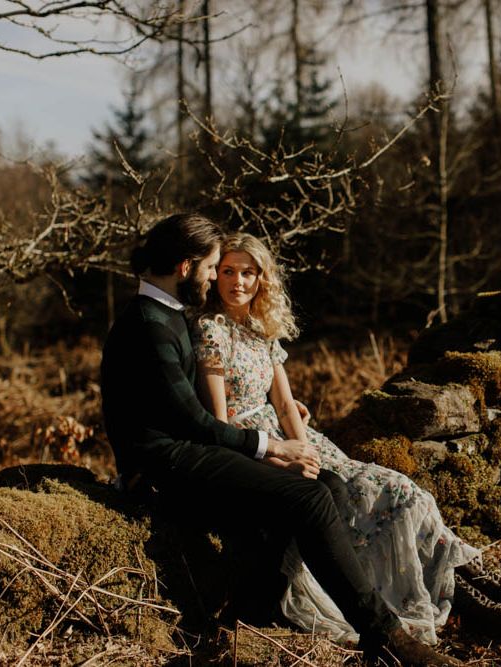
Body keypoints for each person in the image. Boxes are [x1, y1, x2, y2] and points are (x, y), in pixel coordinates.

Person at [100, 212, 460, 666]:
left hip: (190, 451)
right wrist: (272, 447)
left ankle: (253, 608)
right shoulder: (148, 326)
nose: (215, 277)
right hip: (163, 467)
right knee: (307, 499)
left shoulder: (166, 314)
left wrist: (275, 415)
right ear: (186, 266)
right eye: (213, 267)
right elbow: (194, 421)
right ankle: (384, 637)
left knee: (325, 486)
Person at [189, 232, 501, 644]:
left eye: (248, 273)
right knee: (369, 498)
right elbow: (221, 420)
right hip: (255, 445)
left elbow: (286, 404)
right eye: (228, 272)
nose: (238, 282)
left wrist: (307, 447)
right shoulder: (210, 330)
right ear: (215, 275)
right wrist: (282, 457)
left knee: (405, 491)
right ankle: (471, 607)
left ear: (263, 279)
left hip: (295, 437)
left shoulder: (262, 329)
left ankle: (485, 588)